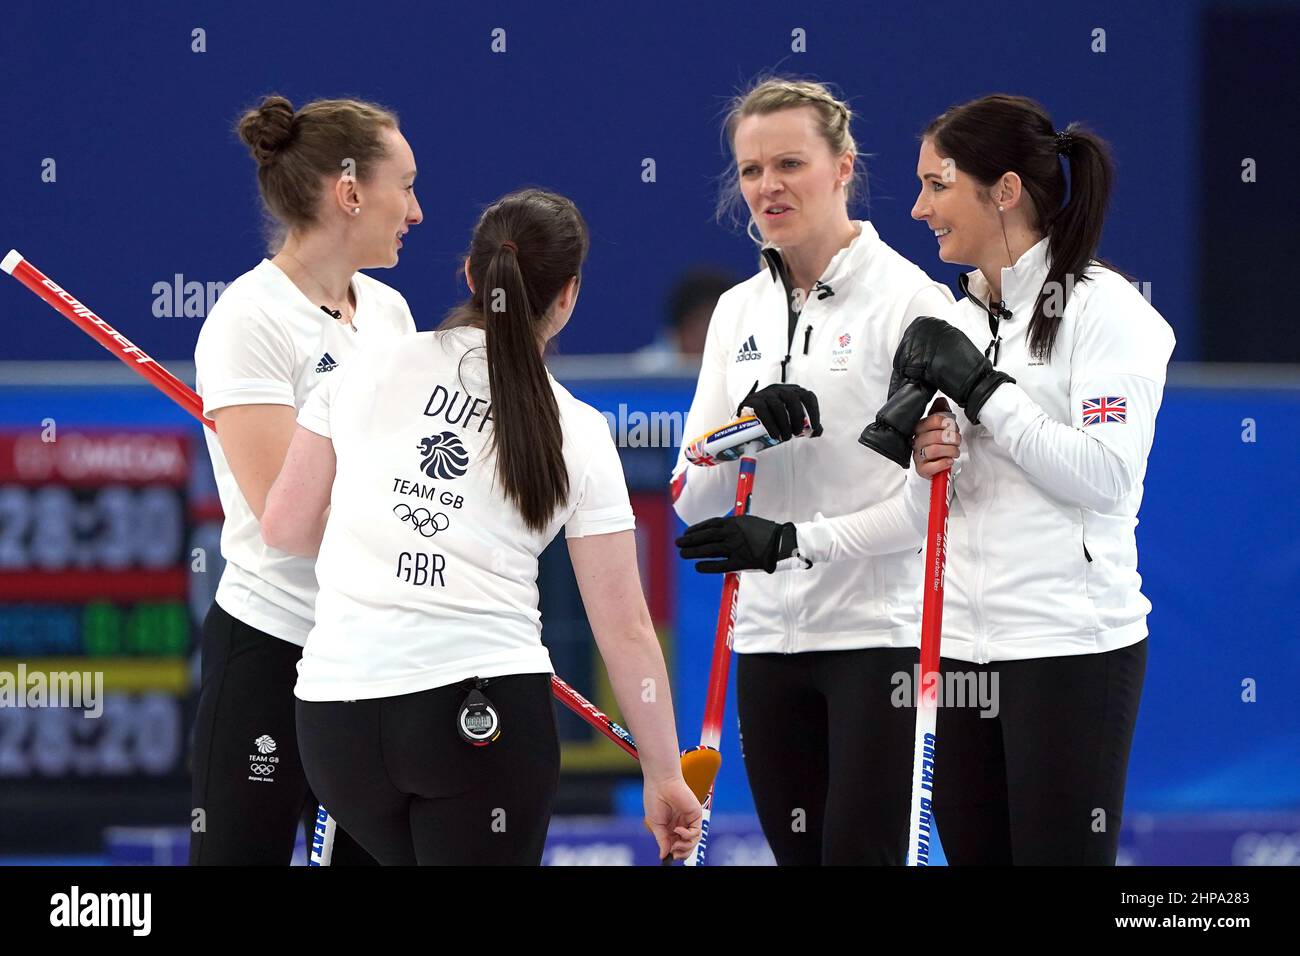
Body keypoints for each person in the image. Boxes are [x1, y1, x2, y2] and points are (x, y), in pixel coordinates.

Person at [261, 188, 702, 866]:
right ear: (568, 296)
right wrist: (664, 772)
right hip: (479, 723)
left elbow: (285, 529)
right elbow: (626, 629)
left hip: (336, 724)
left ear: (470, 274)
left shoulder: (361, 368)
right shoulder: (578, 430)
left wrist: (388, 534)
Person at [857, 94, 1176, 864]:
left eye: (937, 185)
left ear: (1003, 190)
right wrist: (930, 465)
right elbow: (929, 507)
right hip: (963, 649)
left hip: (1068, 646)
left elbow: (1103, 476)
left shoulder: (1108, 312)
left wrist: (987, 394)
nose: (918, 206)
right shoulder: (959, 319)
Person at [670, 77, 956, 865]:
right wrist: (741, 437)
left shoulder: (911, 303)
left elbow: (922, 514)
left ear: (843, 168)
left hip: (879, 639)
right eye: (752, 169)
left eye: (789, 163)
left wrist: (791, 540)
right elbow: (693, 500)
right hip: (767, 642)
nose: (768, 186)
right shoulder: (737, 311)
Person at [190, 94, 423, 865]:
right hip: (275, 642)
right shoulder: (248, 320)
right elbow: (287, 520)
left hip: (373, 651)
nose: (416, 211)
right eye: (408, 186)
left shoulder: (388, 312)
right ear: (350, 193)